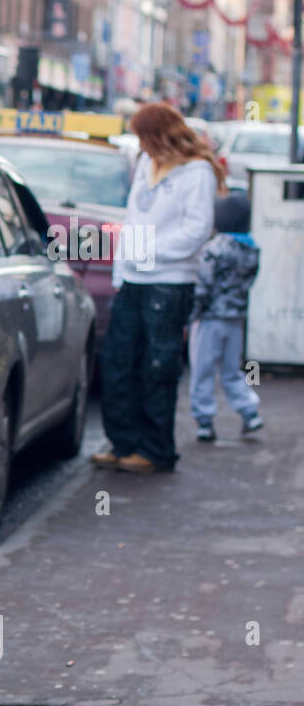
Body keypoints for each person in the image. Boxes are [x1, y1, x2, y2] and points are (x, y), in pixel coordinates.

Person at [91, 102, 224, 474]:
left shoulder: (197, 171)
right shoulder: (147, 163)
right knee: (118, 362)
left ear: (160, 135)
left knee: (157, 367)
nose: (140, 145)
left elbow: (198, 229)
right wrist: (122, 271)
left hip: (170, 282)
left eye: (143, 137)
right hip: (134, 280)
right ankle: (124, 443)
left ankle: (156, 450)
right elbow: (133, 220)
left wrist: (150, 252)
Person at [189, 191, 263, 441]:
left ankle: (204, 420)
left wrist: (191, 316)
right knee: (232, 370)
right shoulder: (251, 248)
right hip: (236, 318)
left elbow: (203, 285)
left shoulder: (215, 247)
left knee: (203, 370)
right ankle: (249, 411)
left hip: (210, 318)